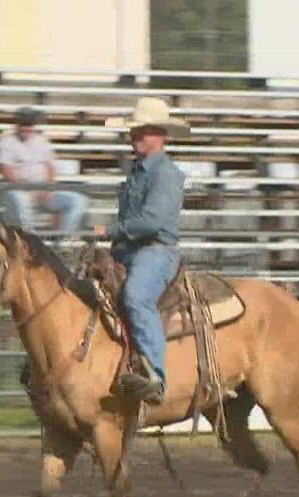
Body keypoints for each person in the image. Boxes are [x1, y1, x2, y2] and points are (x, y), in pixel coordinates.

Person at [94, 97, 189, 405]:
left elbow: (152, 220)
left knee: (136, 296)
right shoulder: (138, 171)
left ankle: (155, 377)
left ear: (160, 135)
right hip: (130, 249)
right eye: (134, 131)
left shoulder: (166, 173)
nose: (135, 137)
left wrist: (111, 231)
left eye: (143, 131)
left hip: (156, 251)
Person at [0, 106, 87, 239]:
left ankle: (62, 240)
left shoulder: (41, 140)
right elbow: (6, 169)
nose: (26, 128)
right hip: (18, 189)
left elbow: (50, 167)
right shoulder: (7, 141)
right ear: (17, 124)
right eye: (23, 124)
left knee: (77, 200)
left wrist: (49, 188)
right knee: (19, 199)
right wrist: (26, 189)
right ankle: (30, 240)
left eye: (29, 124)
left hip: (43, 190)